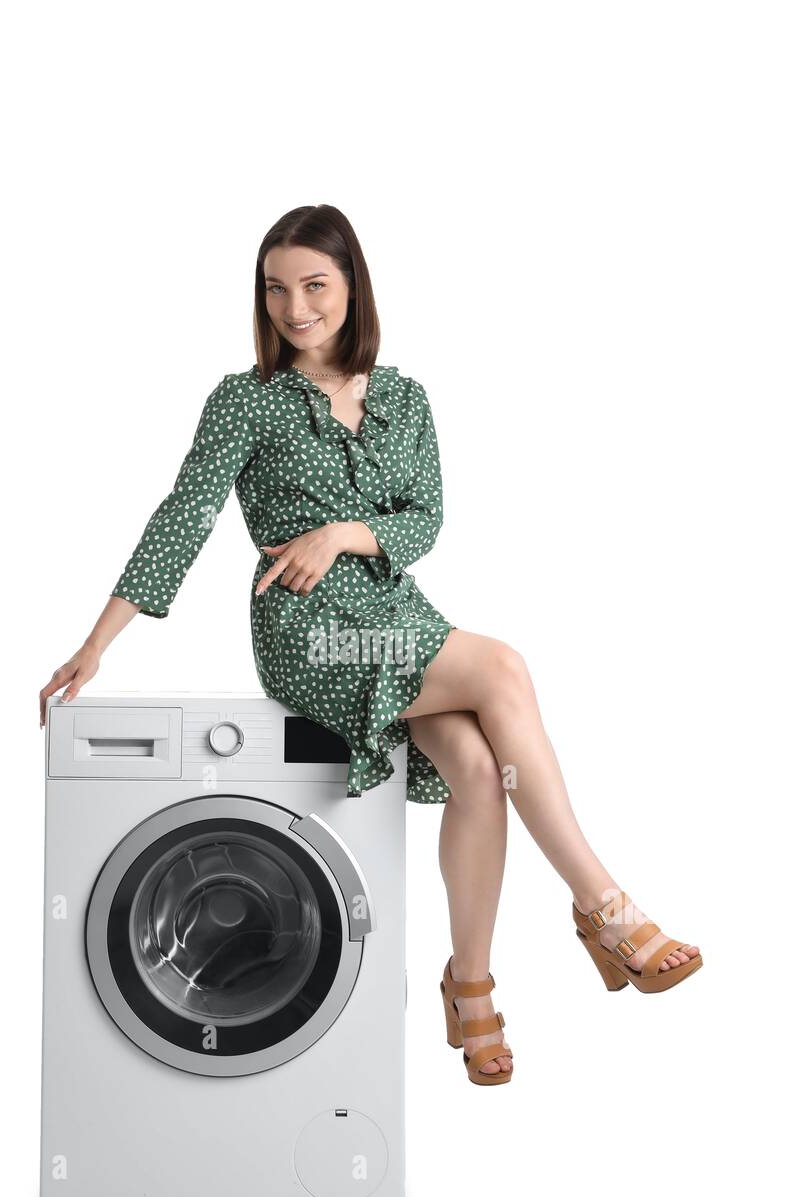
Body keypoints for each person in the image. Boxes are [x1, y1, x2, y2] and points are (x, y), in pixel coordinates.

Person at [39, 204, 702, 1087]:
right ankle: (604, 907)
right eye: (276, 289)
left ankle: (469, 988)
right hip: (309, 630)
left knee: (473, 765)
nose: (295, 307)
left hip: (399, 614)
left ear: (352, 286)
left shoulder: (405, 397)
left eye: (314, 284)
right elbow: (185, 514)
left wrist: (341, 533)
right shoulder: (245, 401)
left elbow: (423, 520)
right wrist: (98, 642)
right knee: (502, 668)